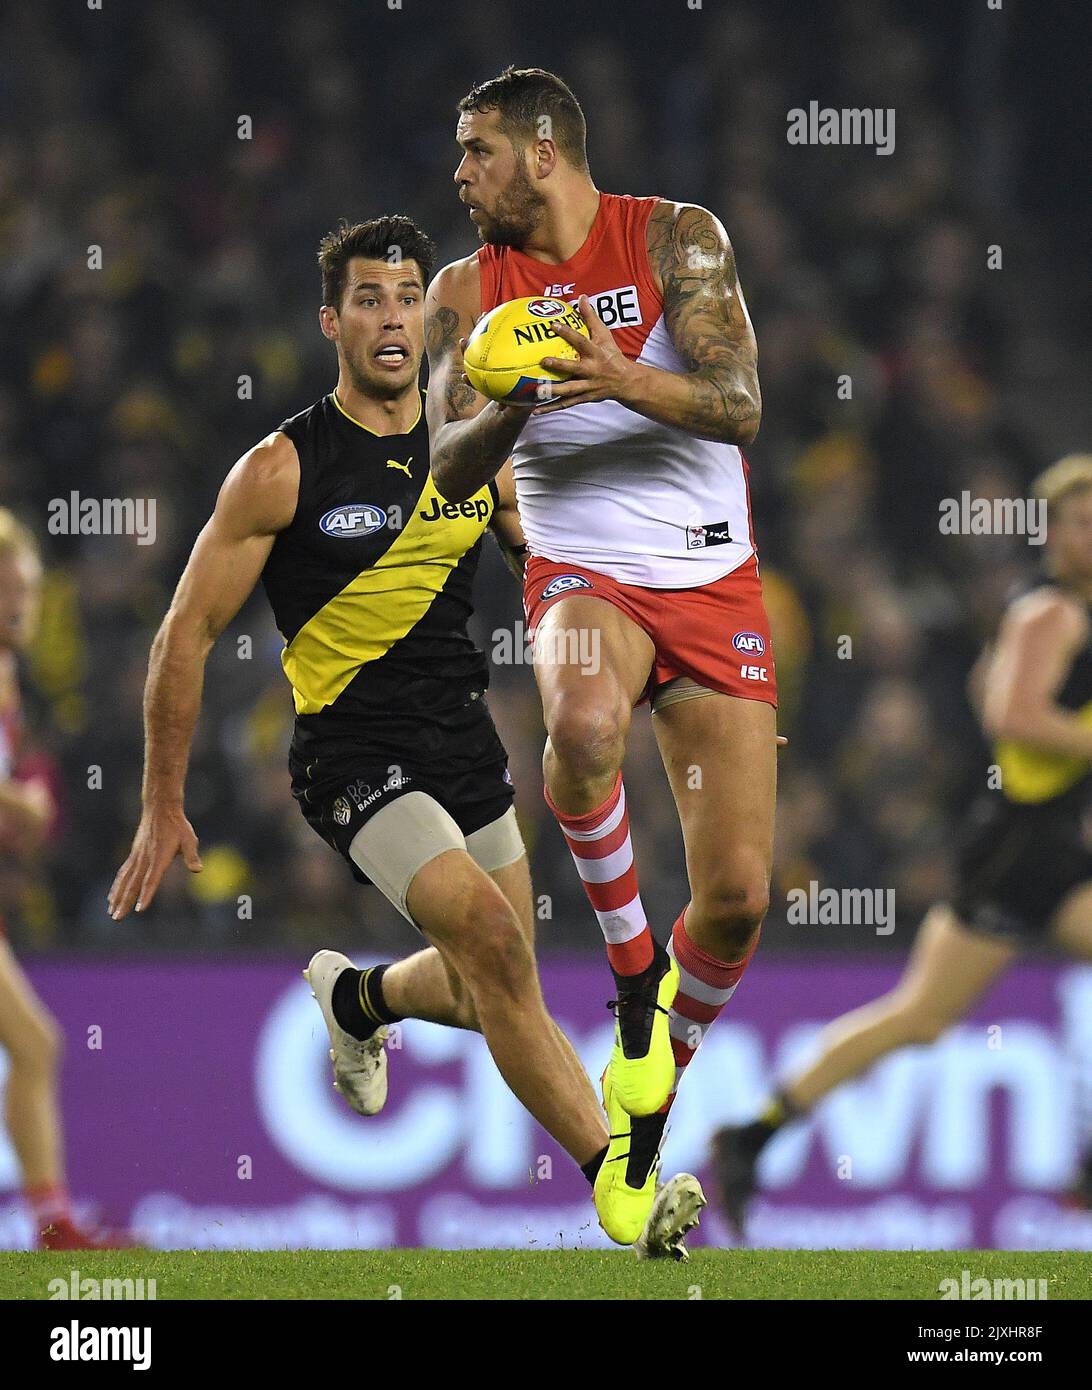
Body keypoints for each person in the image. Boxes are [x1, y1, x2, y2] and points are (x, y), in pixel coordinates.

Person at [109, 215, 701, 1256]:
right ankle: (626, 1186)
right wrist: (161, 800)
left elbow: (576, 583)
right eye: (369, 300)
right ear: (331, 321)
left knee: (489, 984)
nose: (391, 318)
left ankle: (359, 992)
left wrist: (693, 686)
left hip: (461, 743)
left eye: (407, 298)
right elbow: (184, 635)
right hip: (350, 754)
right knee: (492, 946)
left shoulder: (471, 450)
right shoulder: (280, 470)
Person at [426, 66, 775, 1194]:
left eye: (478, 149)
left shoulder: (676, 237)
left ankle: (648, 1093)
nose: (461, 173)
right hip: (584, 570)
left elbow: (739, 402)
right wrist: (517, 397)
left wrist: (620, 375)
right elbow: (444, 463)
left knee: (736, 898)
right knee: (578, 727)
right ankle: (632, 972)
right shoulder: (463, 290)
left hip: (714, 577)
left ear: (541, 151)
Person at [712, 455, 1092, 1232]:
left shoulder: (1048, 607)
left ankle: (754, 1136)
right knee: (920, 1017)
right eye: (1082, 521)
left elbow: (985, 684)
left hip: (1057, 848)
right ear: (1052, 534)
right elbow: (1013, 716)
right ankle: (754, 1132)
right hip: (1021, 852)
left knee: (917, 1015)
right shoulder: (1052, 613)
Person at [0, 513, 129, 1249]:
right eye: (12, 592)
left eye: (33, 592)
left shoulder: (10, 672)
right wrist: (21, 802)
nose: (26, 607)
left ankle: (53, 1224)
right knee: (34, 1044)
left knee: (35, 1044)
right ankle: (52, 1225)